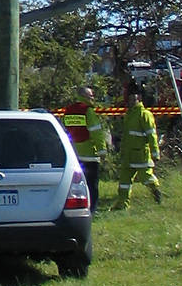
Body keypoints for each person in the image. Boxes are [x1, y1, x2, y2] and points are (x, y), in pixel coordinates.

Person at [61, 85, 109, 213]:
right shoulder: (88, 111)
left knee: (77, 185)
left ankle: (78, 208)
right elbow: (96, 133)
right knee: (92, 185)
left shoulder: (68, 111)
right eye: (91, 96)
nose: (93, 98)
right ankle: (92, 210)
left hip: (74, 155)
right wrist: (102, 151)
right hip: (90, 155)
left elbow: (65, 131)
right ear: (85, 96)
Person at [113, 85, 162, 208]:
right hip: (128, 155)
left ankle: (156, 192)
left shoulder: (144, 114)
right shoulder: (129, 114)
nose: (130, 101)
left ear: (139, 98)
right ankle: (122, 204)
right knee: (124, 181)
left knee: (146, 177)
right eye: (129, 98)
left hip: (140, 154)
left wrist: (155, 153)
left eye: (133, 98)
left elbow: (151, 135)